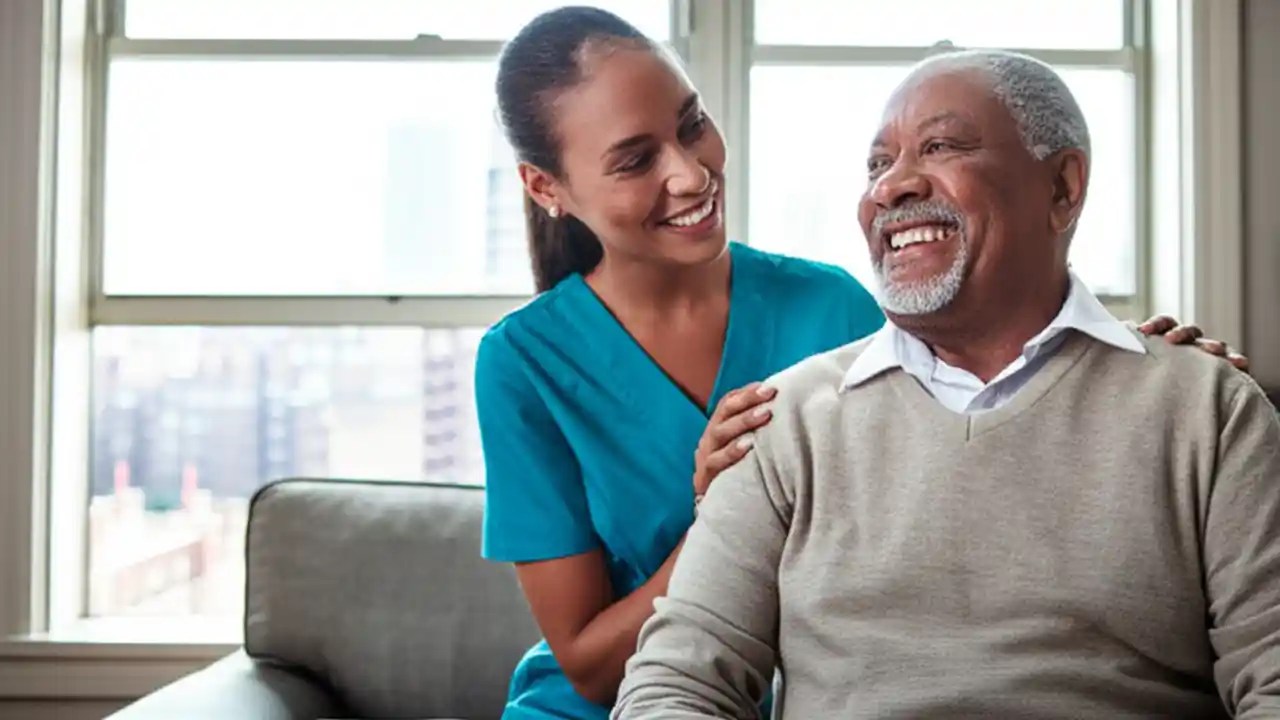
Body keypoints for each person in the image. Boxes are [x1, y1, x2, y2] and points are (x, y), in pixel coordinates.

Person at [476, 8, 1246, 719]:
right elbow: (596, 666)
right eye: (635, 159)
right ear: (548, 187)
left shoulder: (831, 305)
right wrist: (721, 516)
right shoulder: (521, 363)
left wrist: (1126, 362)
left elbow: (981, 363)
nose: (689, 173)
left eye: (692, 124)